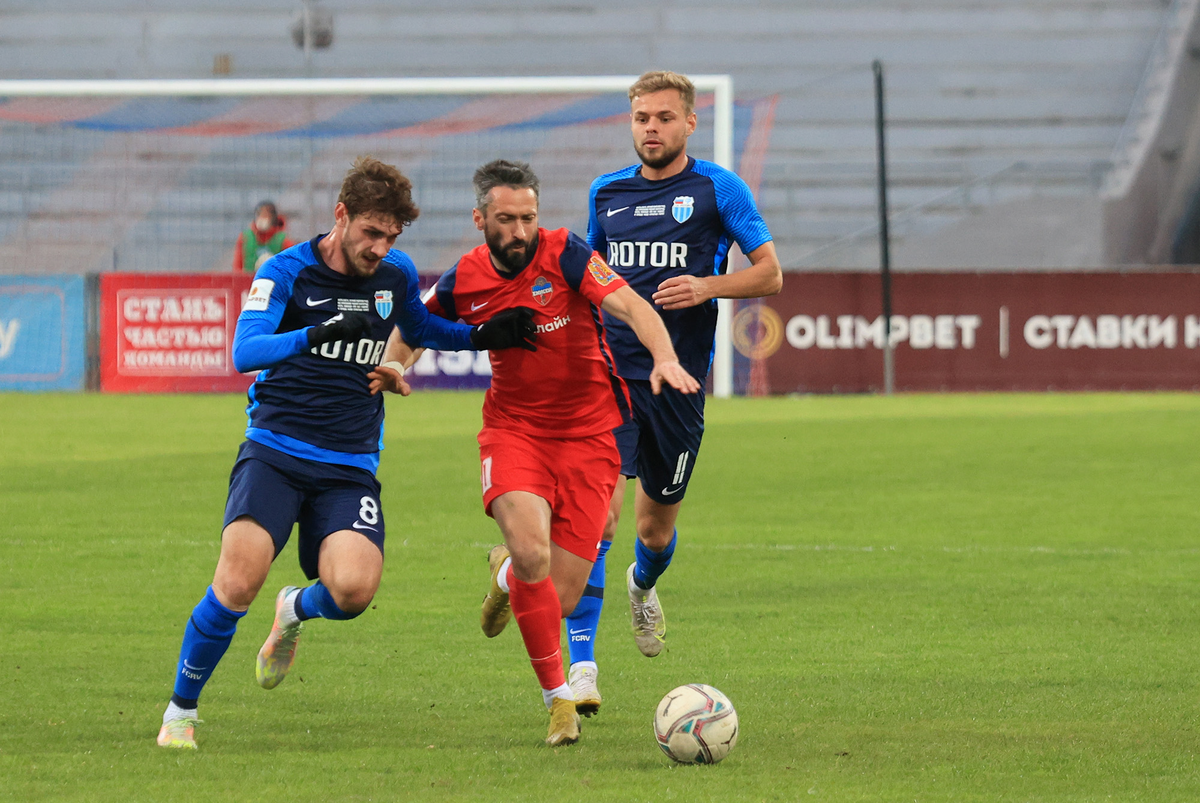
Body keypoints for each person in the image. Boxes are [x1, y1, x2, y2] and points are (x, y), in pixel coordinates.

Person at [156, 156, 536, 750]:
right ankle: (181, 711)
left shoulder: (395, 273)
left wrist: (487, 334)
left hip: (349, 464)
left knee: (354, 592)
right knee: (235, 583)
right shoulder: (285, 271)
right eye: (371, 232)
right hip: (275, 451)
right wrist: (316, 332)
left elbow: (425, 330)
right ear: (341, 216)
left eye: (391, 236)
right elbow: (245, 351)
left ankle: (295, 609)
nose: (380, 247)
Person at [397, 159, 699, 746]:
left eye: (528, 218)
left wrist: (663, 356)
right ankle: (558, 700)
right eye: (506, 220)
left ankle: (504, 574)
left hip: (591, 439)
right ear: (480, 218)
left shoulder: (566, 253)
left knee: (555, 596)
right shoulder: (464, 277)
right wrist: (393, 364)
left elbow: (632, 306)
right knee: (534, 552)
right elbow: (415, 325)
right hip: (514, 432)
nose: (519, 231)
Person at [564, 70, 783, 712]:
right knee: (595, 517)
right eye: (641, 118)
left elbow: (770, 274)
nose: (651, 128)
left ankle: (641, 587)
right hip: (609, 378)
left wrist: (708, 287)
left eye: (663, 118)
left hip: (679, 384)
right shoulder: (607, 194)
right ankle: (581, 669)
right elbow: (591, 279)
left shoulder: (718, 187)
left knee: (654, 533)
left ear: (689, 122)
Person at [234, 200, 297, 274]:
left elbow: (291, 267)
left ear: (273, 218)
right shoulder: (246, 238)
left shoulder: (283, 240)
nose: (262, 218)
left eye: (266, 215)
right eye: (259, 214)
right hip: (249, 283)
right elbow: (237, 268)